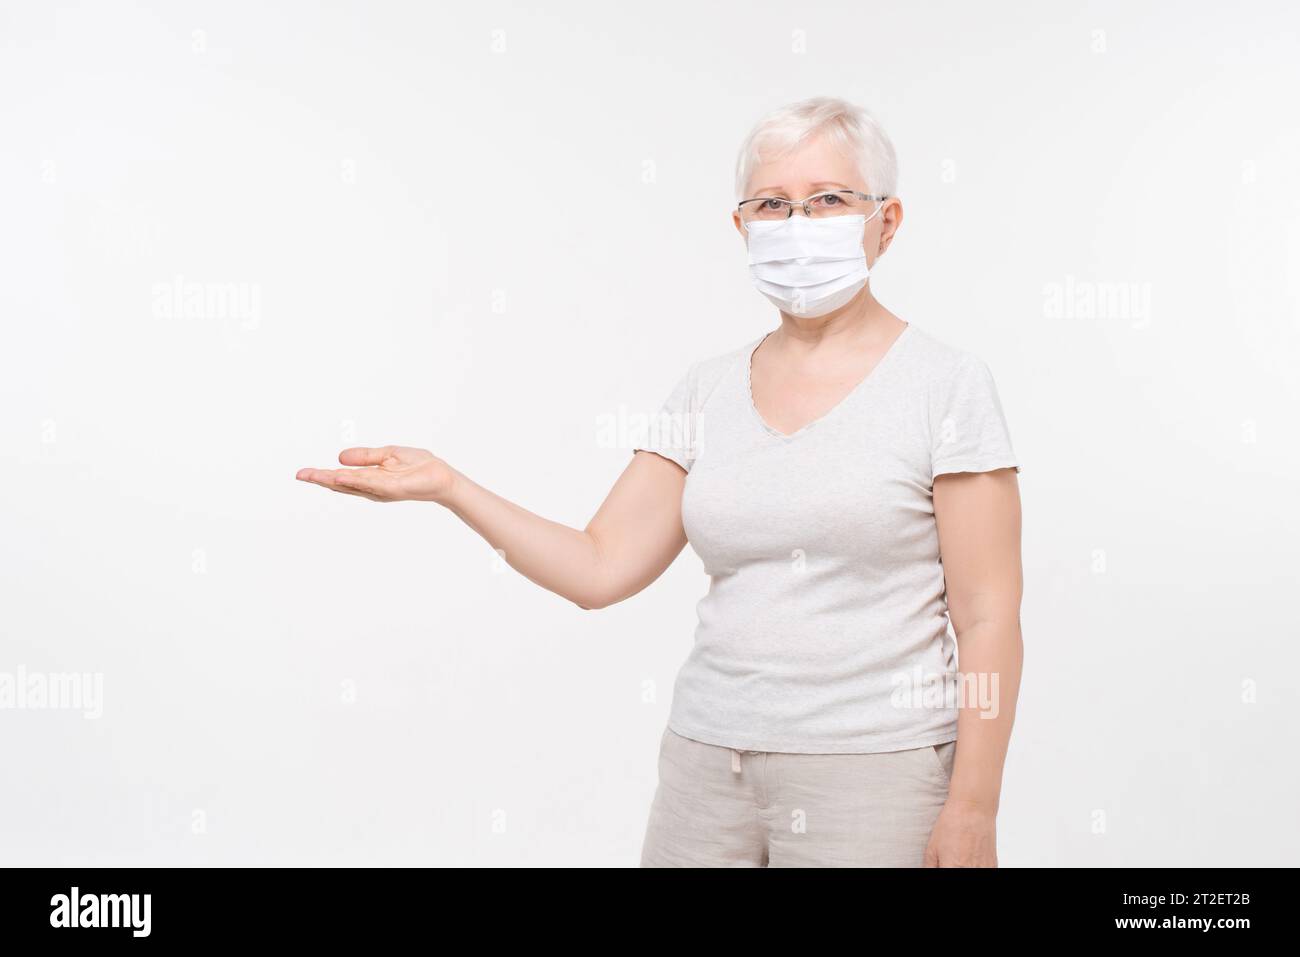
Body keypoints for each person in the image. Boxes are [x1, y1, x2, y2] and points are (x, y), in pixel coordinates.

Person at [297, 96, 1023, 867]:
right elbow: (600, 565)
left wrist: (974, 807)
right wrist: (452, 488)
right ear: (741, 226)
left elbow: (987, 615)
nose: (798, 224)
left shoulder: (946, 386)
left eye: (830, 200)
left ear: (888, 220)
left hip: (874, 777)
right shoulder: (705, 389)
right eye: (772, 204)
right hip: (705, 771)